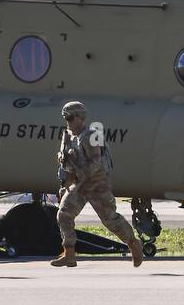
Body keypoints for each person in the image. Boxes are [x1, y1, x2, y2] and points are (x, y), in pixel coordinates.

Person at [50, 101, 143, 268]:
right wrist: (66, 186)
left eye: (71, 118)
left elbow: (97, 163)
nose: (68, 122)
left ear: (81, 117)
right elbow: (66, 165)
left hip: (96, 183)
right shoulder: (68, 136)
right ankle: (69, 254)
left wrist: (82, 176)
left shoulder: (91, 136)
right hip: (79, 184)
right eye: (65, 118)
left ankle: (133, 244)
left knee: (110, 220)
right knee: (63, 215)